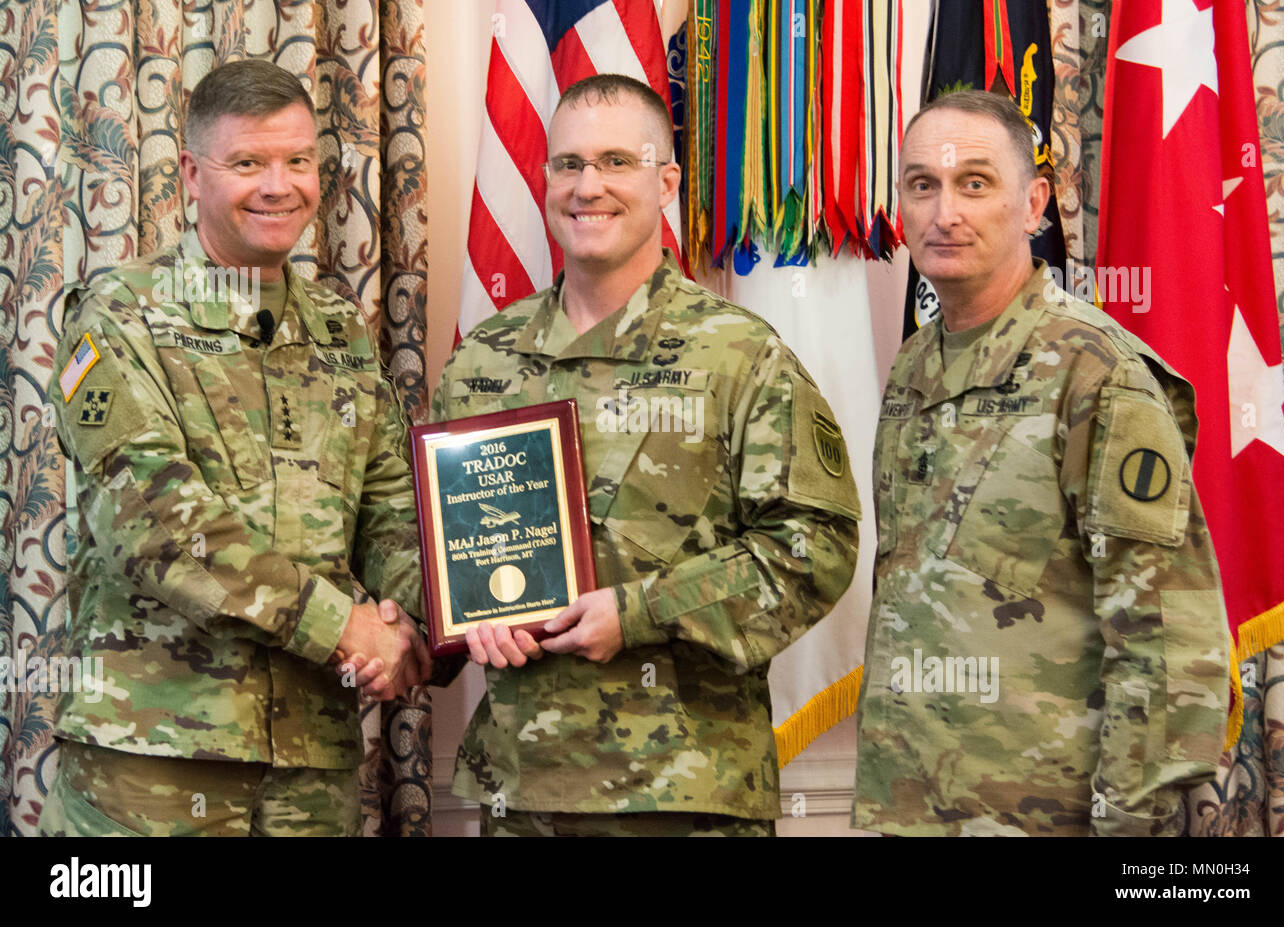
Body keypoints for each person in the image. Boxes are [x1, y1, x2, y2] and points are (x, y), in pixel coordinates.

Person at [432, 74, 861, 836]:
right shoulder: (483, 361)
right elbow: (423, 539)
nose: (587, 186)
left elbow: (814, 547)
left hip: (687, 793)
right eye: (568, 164)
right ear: (544, 180)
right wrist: (461, 619)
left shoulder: (739, 354)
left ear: (666, 182)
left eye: (615, 162)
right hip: (522, 789)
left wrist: (640, 611)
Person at [39, 58, 430, 837]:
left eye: (297, 161)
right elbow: (153, 521)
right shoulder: (116, 317)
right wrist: (345, 628)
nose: (278, 185)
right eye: (247, 162)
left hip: (310, 773)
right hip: (151, 763)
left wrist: (412, 622)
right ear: (190, 172)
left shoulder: (339, 330)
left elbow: (390, 513)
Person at [853, 90, 1231, 836]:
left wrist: (1126, 827)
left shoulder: (1097, 374)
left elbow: (1165, 638)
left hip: (1046, 817)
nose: (944, 213)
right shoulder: (915, 366)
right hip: (908, 804)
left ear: (1035, 204)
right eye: (922, 184)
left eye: (975, 183)